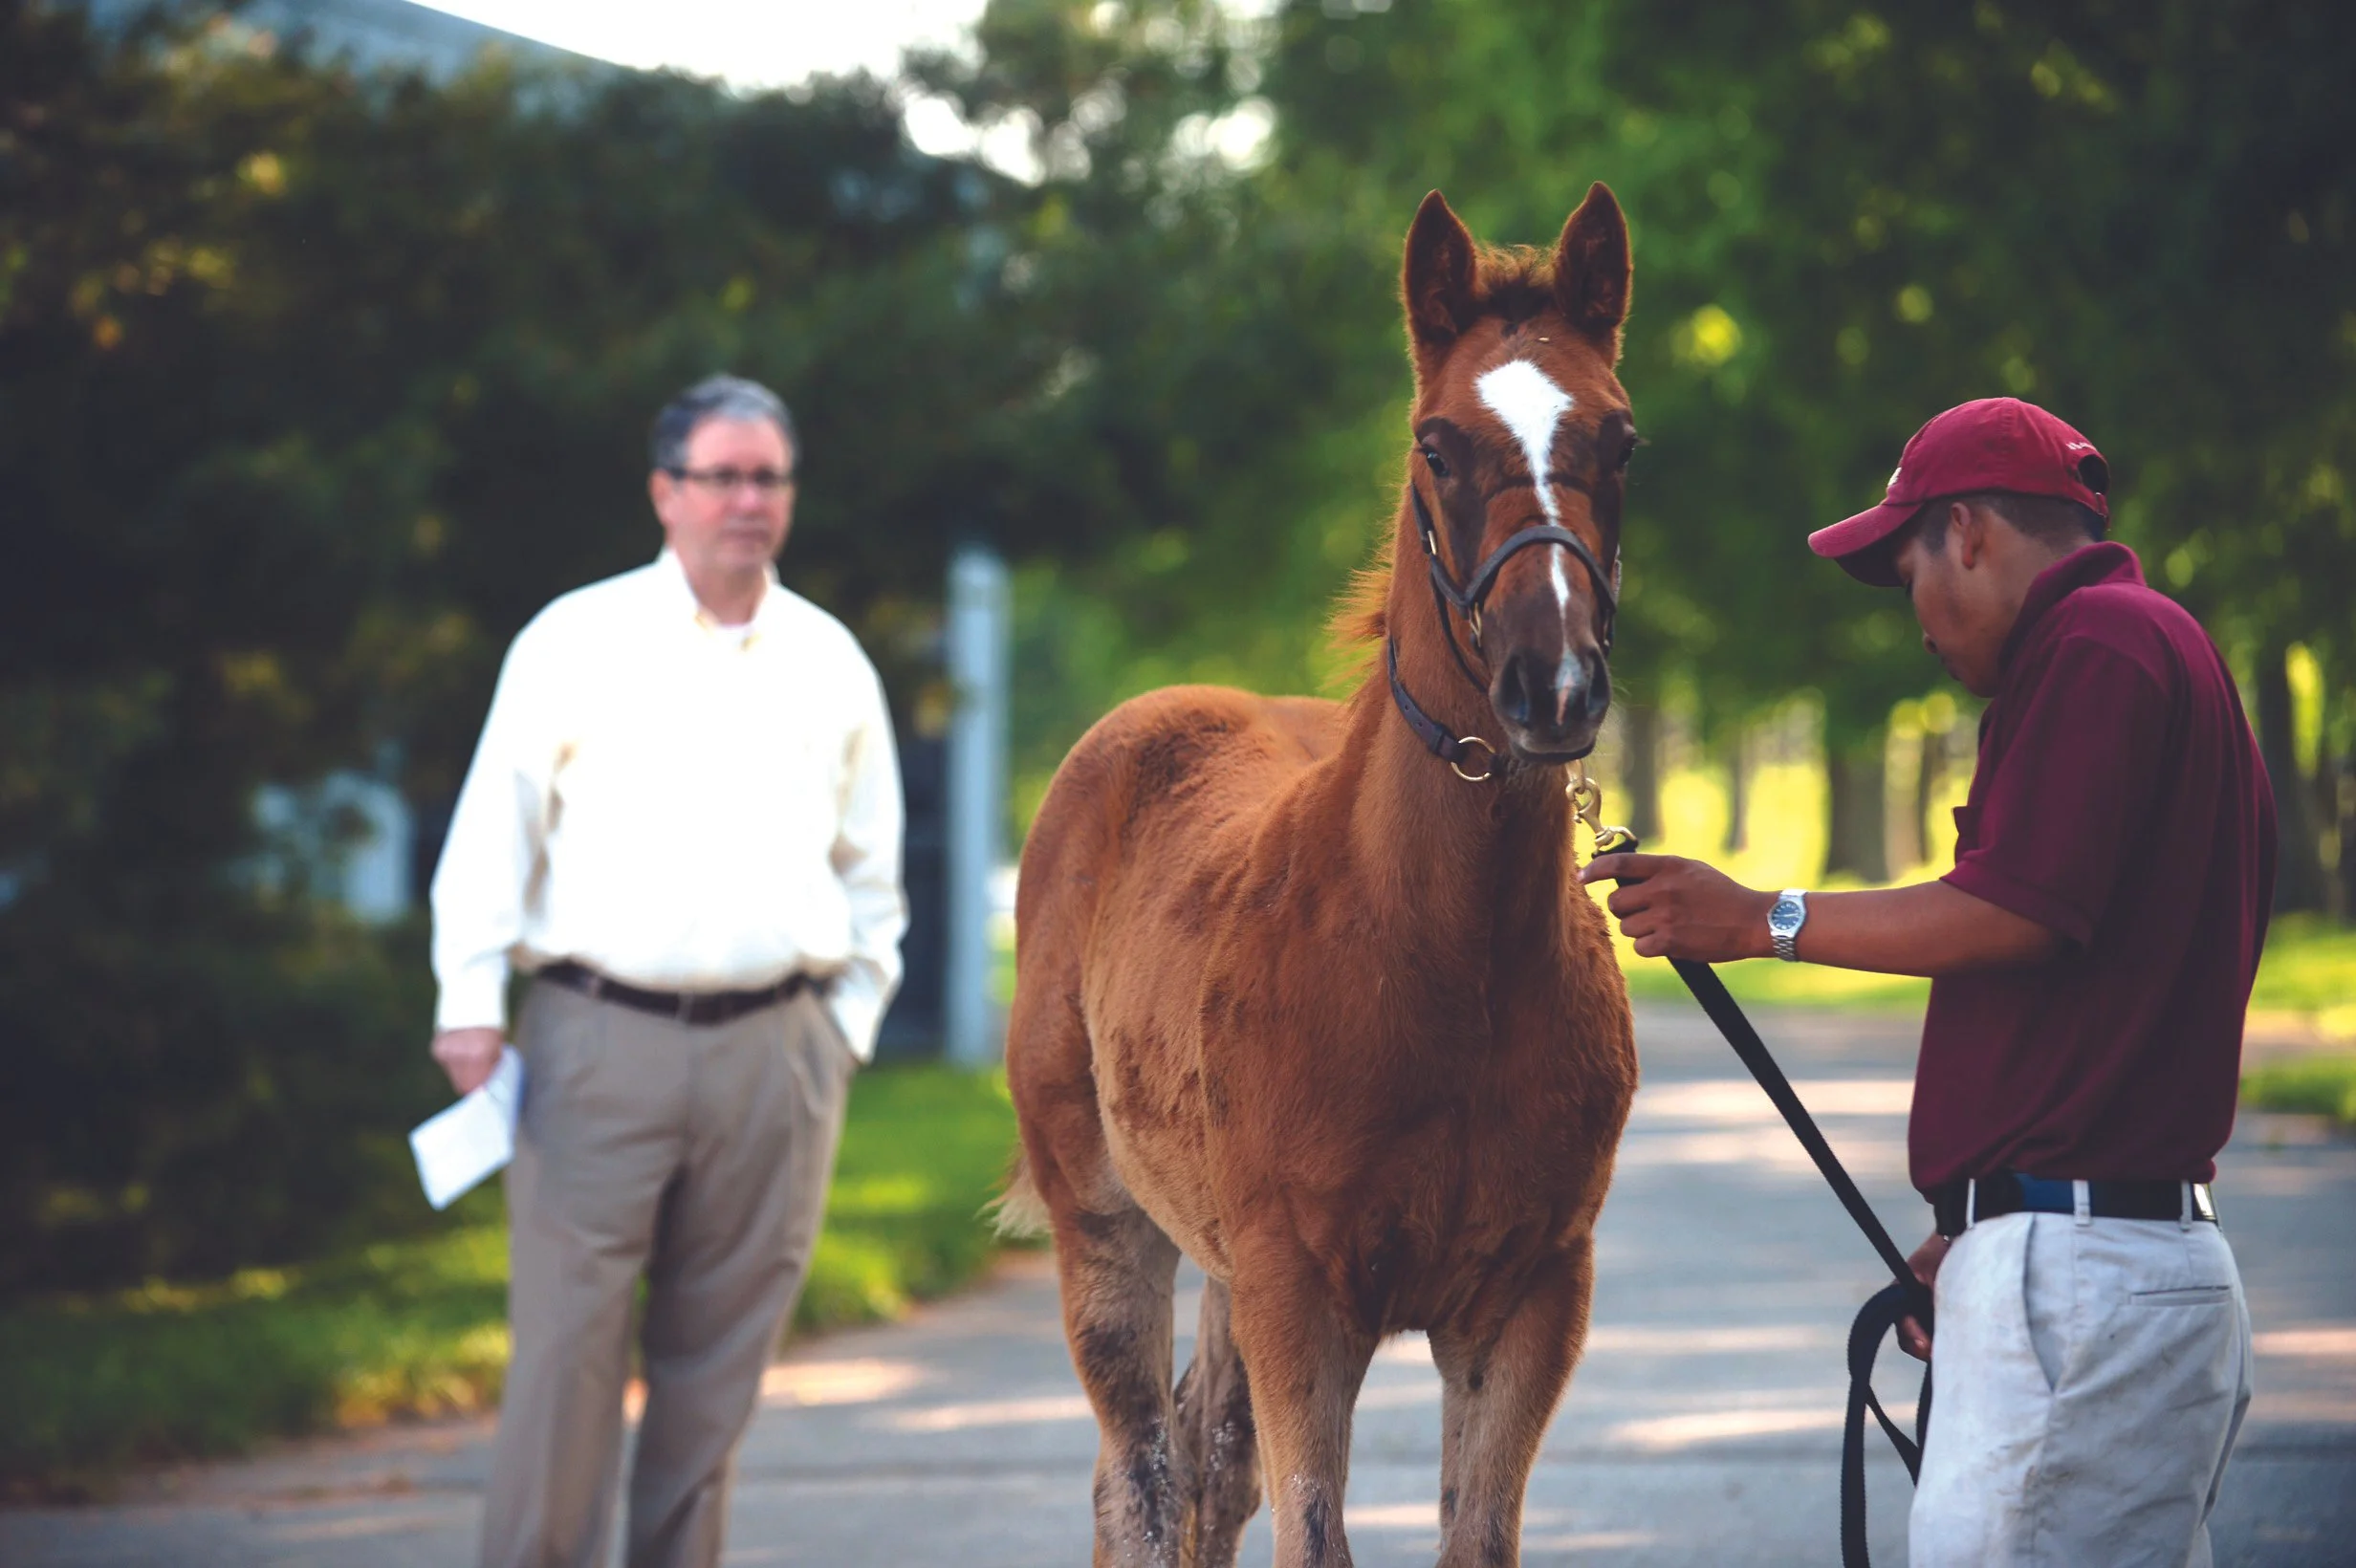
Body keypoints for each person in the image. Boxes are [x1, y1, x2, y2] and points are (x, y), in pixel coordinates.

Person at [1583, 397, 2272, 1566]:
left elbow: (2017, 911)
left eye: (1906, 572)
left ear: (1966, 532)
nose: (1916, 622)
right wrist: (1984, 1212)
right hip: (2094, 1251)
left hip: (2082, 1288)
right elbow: (2105, 982)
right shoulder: (2160, 651)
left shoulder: (2098, 647)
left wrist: (1760, 918)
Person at [428, 374, 905, 1568]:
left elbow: (873, 873)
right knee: (563, 1361)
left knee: (715, 1379)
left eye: (768, 477)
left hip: (777, 1056)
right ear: (665, 490)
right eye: (722, 475)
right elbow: (495, 826)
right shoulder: (575, 639)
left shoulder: (830, 660)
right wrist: (469, 1002)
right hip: (598, 1042)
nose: (747, 499)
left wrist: (839, 1031)